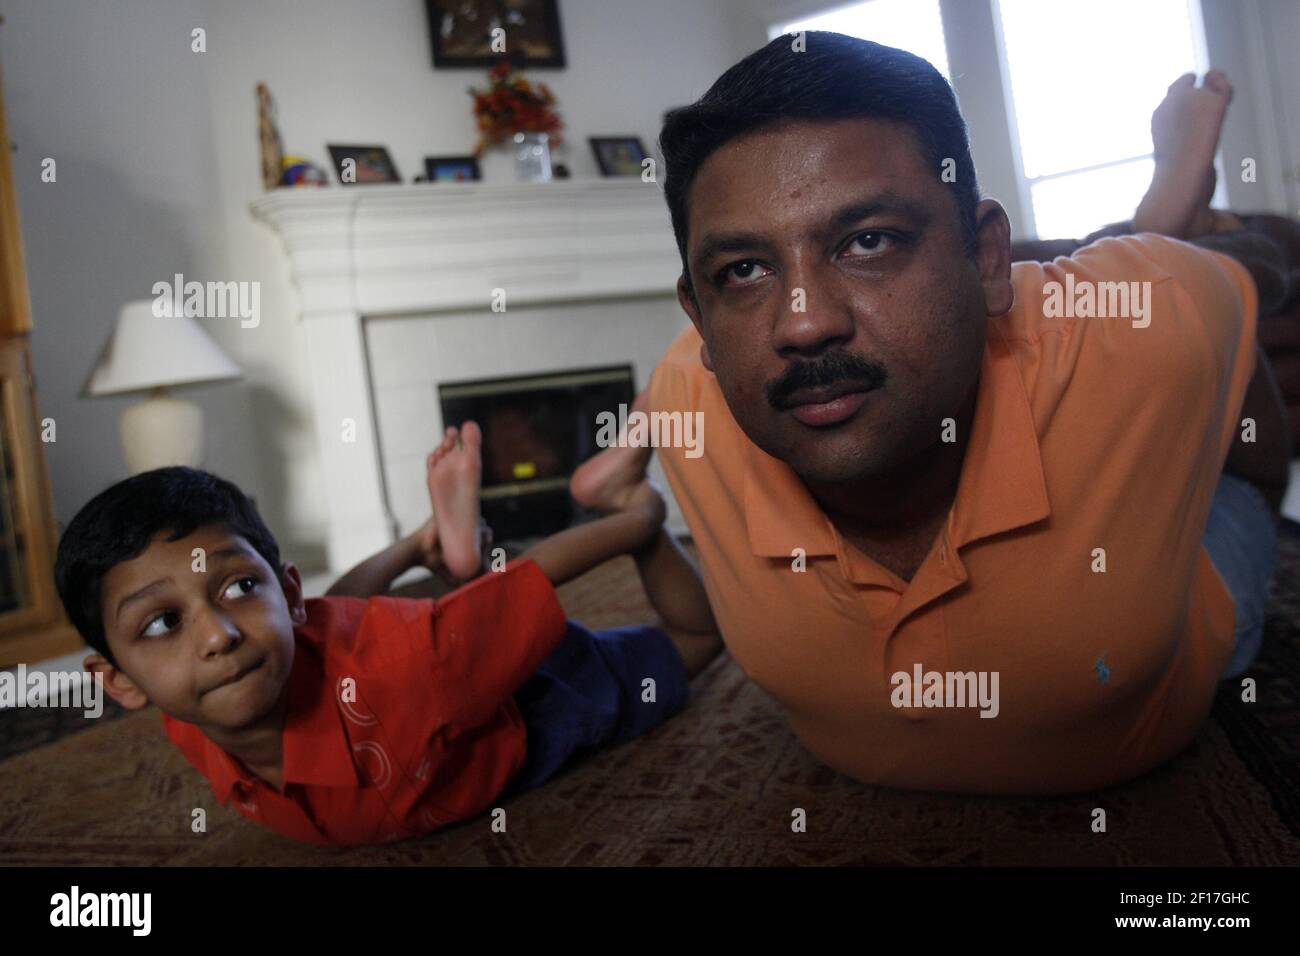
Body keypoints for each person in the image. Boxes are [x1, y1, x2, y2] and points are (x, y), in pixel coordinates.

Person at [643, 32, 1291, 795]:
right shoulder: (687, 397)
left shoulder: (1138, 325)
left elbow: (1259, 280)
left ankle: (1171, 204)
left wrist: (1238, 469)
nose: (804, 323)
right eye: (745, 269)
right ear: (700, 315)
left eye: (868, 240)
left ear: (987, 261)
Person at [53, 419, 720, 846]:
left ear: (284, 590)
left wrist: (636, 527)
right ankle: (438, 548)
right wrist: (407, 551)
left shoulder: (415, 672)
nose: (219, 635)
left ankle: (639, 504)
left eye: (237, 587)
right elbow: (327, 605)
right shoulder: (200, 704)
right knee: (348, 624)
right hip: (403, 665)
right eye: (164, 622)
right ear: (118, 680)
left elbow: (531, 578)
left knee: (698, 641)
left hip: (529, 708)